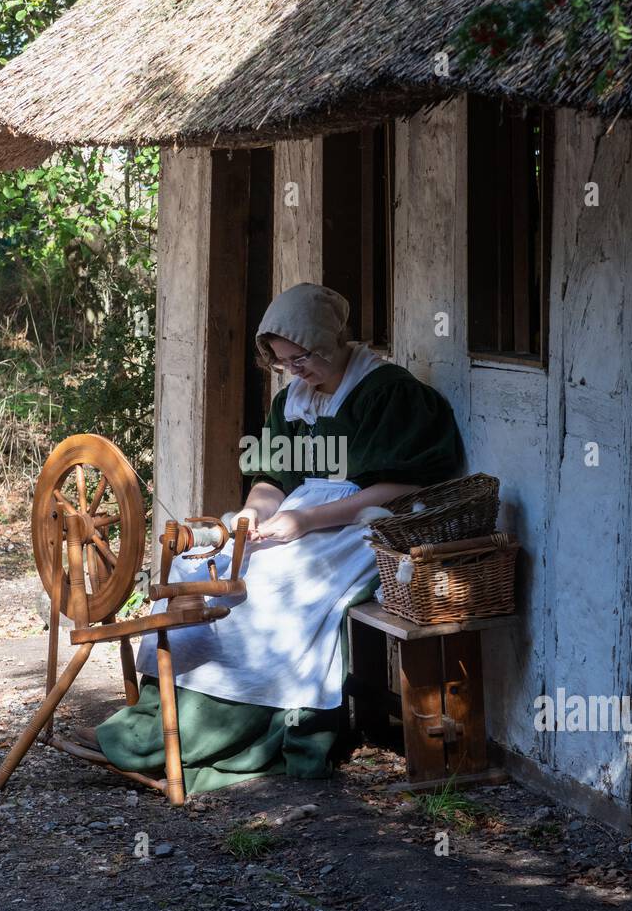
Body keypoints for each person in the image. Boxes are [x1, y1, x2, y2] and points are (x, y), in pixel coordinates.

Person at [88, 282, 463, 794]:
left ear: (330, 341)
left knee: (270, 591)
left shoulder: (387, 392)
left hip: (366, 524)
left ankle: (233, 734)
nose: (295, 370)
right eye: (285, 361)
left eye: (303, 357)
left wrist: (307, 522)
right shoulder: (293, 401)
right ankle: (160, 716)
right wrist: (247, 518)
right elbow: (271, 482)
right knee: (210, 566)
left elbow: (408, 484)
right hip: (301, 515)